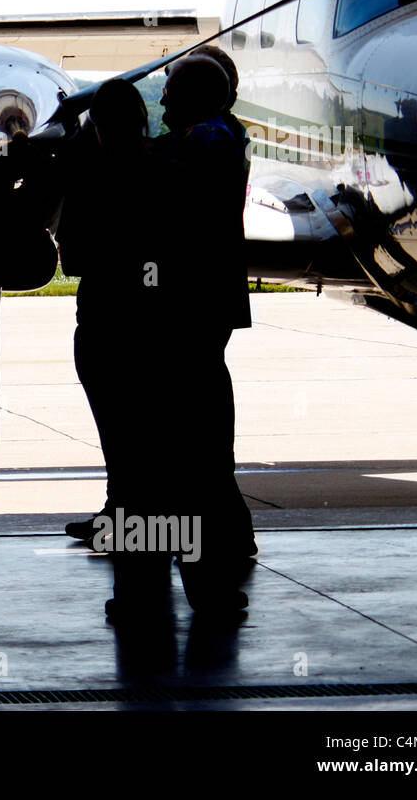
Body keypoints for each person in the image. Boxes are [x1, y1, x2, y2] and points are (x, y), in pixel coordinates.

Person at [151, 53, 256, 612]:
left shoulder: (206, 143)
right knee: (206, 433)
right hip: (207, 303)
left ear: (195, 98)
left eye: (171, 91)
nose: (162, 102)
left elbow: (158, 164)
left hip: (190, 305)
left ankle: (203, 568)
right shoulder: (223, 132)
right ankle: (231, 538)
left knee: (191, 441)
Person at [57, 80, 155, 542]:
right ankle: (132, 515)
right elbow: (159, 259)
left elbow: (72, 256)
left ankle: (128, 517)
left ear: (96, 127)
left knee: (118, 431)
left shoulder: (89, 177)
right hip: (151, 320)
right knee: (146, 431)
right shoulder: (165, 165)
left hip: (104, 317)